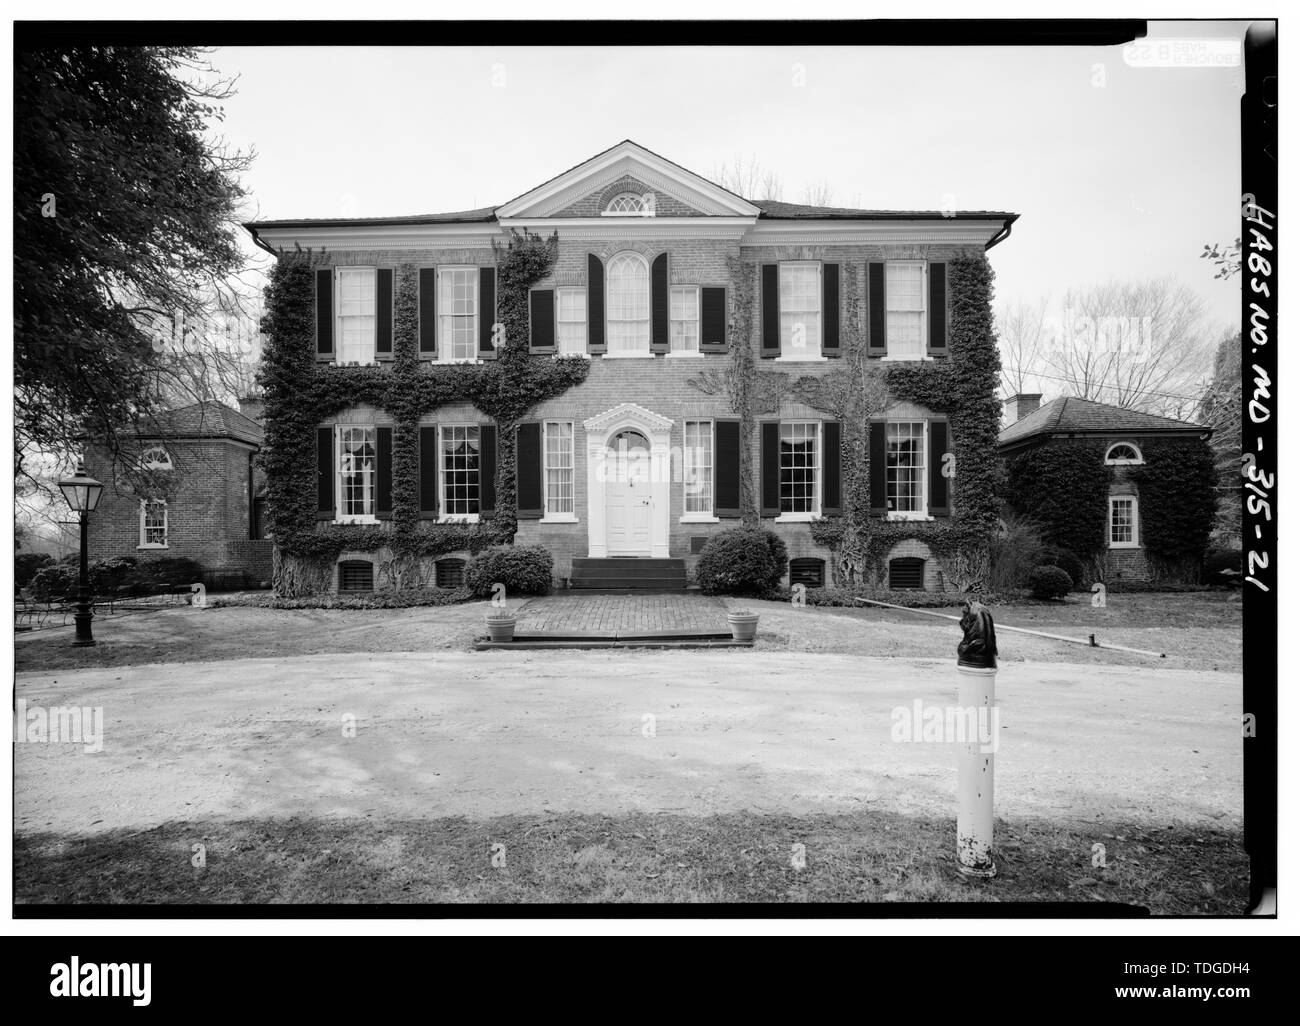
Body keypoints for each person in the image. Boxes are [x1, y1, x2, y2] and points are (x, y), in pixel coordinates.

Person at [957, 598, 998, 669]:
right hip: (985, 656)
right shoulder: (977, 613)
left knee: (964, 648)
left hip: (978, 658)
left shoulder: (978, 612)